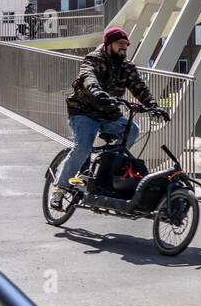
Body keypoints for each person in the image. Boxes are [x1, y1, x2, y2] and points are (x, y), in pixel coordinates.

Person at [50, 26, 158, 209]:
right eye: (120, 44)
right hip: (84, 111)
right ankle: (60, 190)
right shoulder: (93, 59)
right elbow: (88, 76)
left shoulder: (126, 66)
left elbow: (139, 87)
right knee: (83, 147)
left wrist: (153, 106)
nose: (124, 48)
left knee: (132, 130)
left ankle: (106, 172)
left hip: (109, 114)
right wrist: (95, 90)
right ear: (108, 44)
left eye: (126, 44)